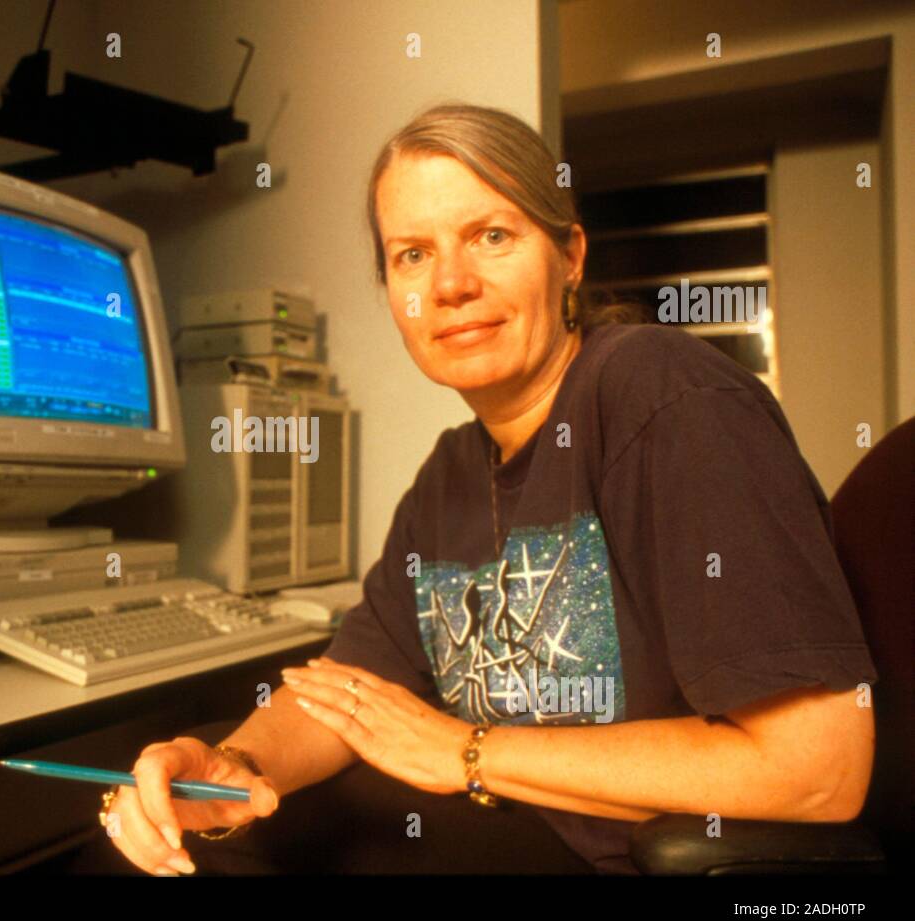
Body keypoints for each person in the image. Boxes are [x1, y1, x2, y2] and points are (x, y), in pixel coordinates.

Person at [89, 103, 879, 876]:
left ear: (569, 255)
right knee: (188, 824)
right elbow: (350, 697)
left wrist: (465, 751)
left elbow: (817, 768)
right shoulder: (448, 474)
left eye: (490, 235)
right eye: (412, 255)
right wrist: (233, 766)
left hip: (621, 853)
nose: (451, 284)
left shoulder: (666, 399)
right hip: (512, 821)